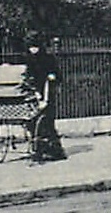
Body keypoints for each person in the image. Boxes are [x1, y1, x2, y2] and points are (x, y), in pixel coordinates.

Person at [22, 30, 67, 161]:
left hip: (46, 92)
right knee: (32, 121)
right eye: (31, 47)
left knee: (47, 121)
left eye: (35, 47)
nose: (33, 50)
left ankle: (53, 150)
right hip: (32, 93)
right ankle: (38, 148)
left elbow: (58, 75)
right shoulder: (27, 59)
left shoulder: (48, 58)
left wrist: (53, 76)